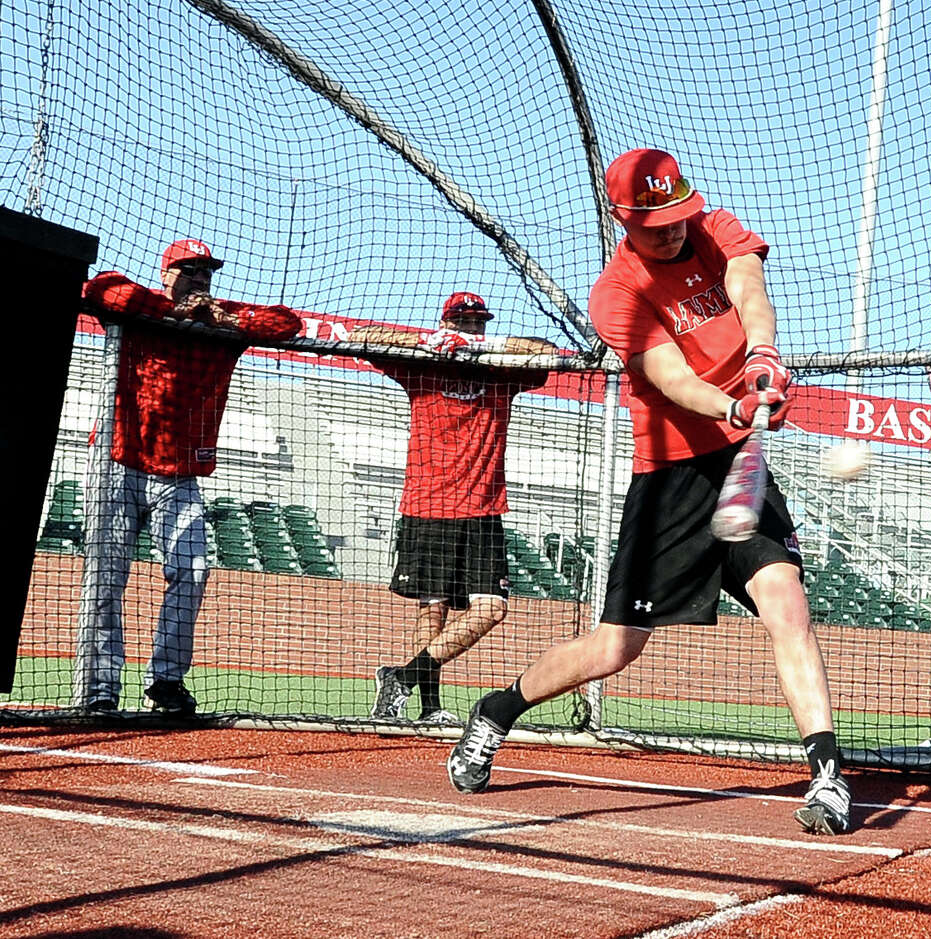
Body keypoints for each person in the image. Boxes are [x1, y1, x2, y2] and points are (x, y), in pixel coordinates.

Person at [447, 148, 854, 836]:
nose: (673, 230)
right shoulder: (617, 291)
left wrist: (762, 357)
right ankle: (496, 710)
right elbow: (670, 375)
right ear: (621, 220)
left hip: (736, 466)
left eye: (679, 216)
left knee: (789, 605)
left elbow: (748, 282)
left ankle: (827, 775)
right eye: (657, 222)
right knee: (615, 647)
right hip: (668, 480)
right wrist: (730, 405)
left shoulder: (709, 227)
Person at [73, 238, 302, 715]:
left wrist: (226, 320)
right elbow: (100, 287)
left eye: (206, 271)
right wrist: (173, 314)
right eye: (189, 269)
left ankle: (166, 682)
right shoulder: (142, 308)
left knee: (193, 570)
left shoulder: (222, 318)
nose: (199, 278)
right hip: (117, 460)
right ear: (167, 273)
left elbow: (287, 322)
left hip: (179, 474)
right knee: (105, 579)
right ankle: (98, 689)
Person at [349, 292, 558, 728]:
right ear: (446, 323)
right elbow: (361, 336)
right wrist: (433, 342)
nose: (471, 328)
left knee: (491, 610)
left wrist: (485, 347)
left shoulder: (501, 373)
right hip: (427, 504)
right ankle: (427, 706)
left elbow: (548, 353)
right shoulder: (424, 364)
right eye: (463, 322)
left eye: (478, 322)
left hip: (483, 508)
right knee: (433, 610)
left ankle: (400, 676)